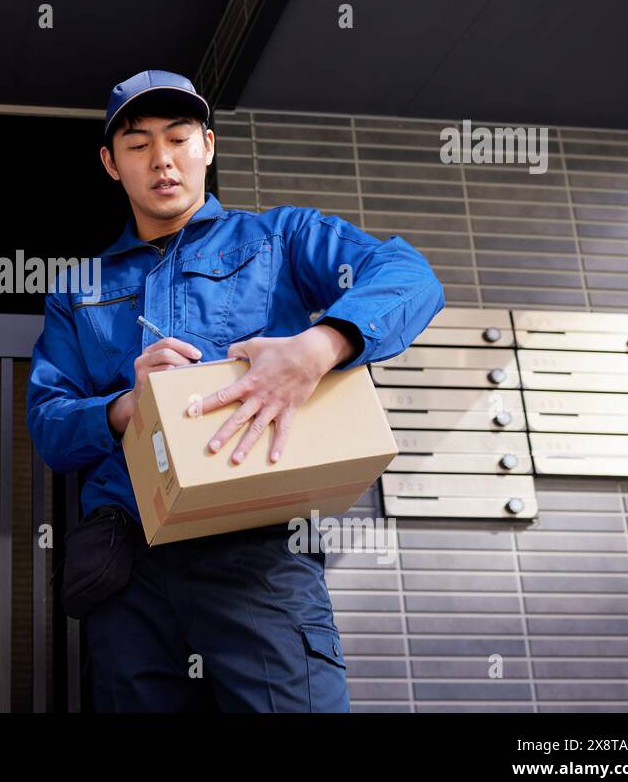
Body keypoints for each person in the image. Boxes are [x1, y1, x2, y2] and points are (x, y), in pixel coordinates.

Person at [25, 69, 446, 712]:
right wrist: (125, 407)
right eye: (137, 145)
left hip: (259, 548)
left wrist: (317, 348)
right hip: (128, 569)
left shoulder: (279, 238)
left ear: (209, 146)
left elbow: (410, 276)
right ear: (111, 164)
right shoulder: (76, 290)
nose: (161, 159)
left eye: (178, 137)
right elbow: (49, 426)